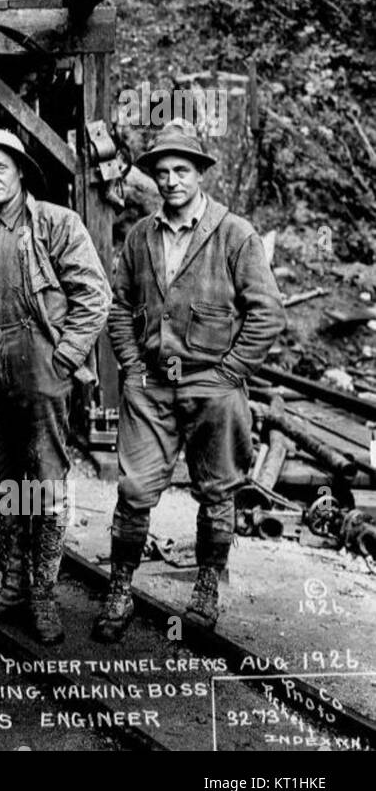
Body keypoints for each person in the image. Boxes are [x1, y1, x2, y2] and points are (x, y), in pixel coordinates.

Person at [95, 119, 284, 642]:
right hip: (153, 387)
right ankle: (120, 588)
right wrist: (132, 367)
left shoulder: (235, 234)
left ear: (201, 173)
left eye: (182, 170)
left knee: (218, 492)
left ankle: (206, 584)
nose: (172, 180)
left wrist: (229, 372)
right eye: (162, 172)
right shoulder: (140, 236)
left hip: (213, 388)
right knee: (134, 490)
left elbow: (267, 314)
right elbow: (118, 307)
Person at [0, 129, 110, 645]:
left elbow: (95, 295)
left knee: (45, 482)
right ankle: (12, 583)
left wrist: (64, 356)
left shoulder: (56, 224)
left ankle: (42, 593)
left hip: (39, 365)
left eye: (0, 167)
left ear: (19, 171)